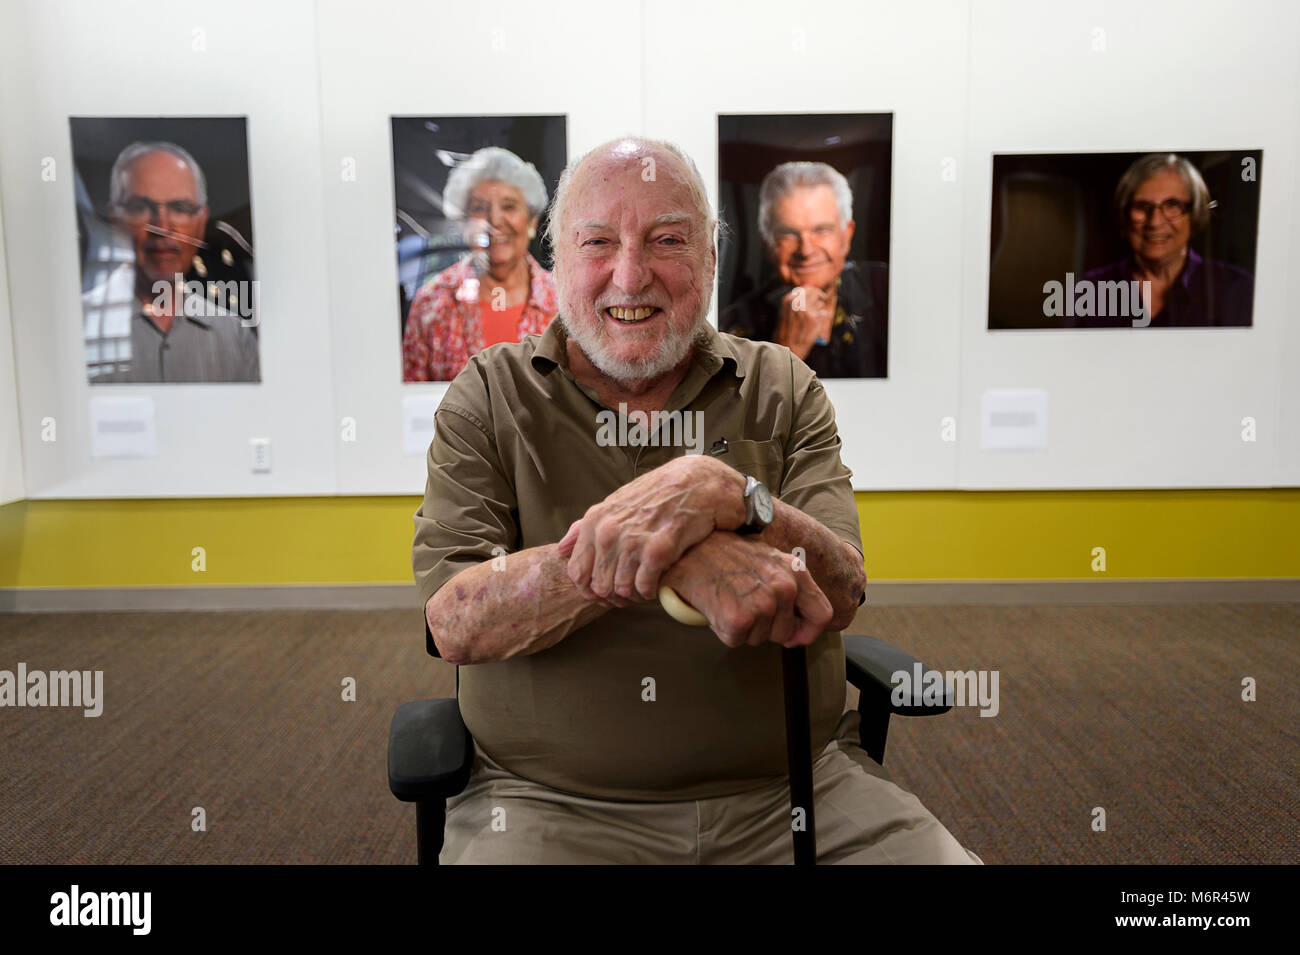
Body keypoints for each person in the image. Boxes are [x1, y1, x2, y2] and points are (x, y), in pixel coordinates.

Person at [411, 136, 980, 864]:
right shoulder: (490, 394)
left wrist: (726, 493)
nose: (630, 275)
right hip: (545, 805)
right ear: (559, 259)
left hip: (796, 790)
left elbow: (840, 589)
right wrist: (669, 551)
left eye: (667, 240)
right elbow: (457, 621)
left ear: (711, 257)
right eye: (598, 242)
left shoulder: (782, 385)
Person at [82, 141, 260, 383]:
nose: (163, 228)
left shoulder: (235, 336)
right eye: (140, 207)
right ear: (115, 219)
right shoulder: (77, 328)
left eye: (180, 208)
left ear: (201, 221)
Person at [402, 146, 559, 380]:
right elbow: (412, 394)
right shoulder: (431, 301)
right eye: (479, 208)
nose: (494, 220)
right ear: (463, 223)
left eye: (509, 206)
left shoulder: (563, 301)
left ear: (531, 222)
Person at [720, 161, 888, 378]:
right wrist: (786, 350)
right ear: (768, 244)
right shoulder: (734, 325)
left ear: (846, 236)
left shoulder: (886, 287)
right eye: (788, 233)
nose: (806, 250)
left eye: (822, 230)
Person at [1069, 153, 1253, 328]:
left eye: (1172, 205)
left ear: (1194, 214)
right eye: (1142, 206)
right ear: (1125, 215)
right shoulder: (1089, 290)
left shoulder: (1237, 288)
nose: (1155, 222)